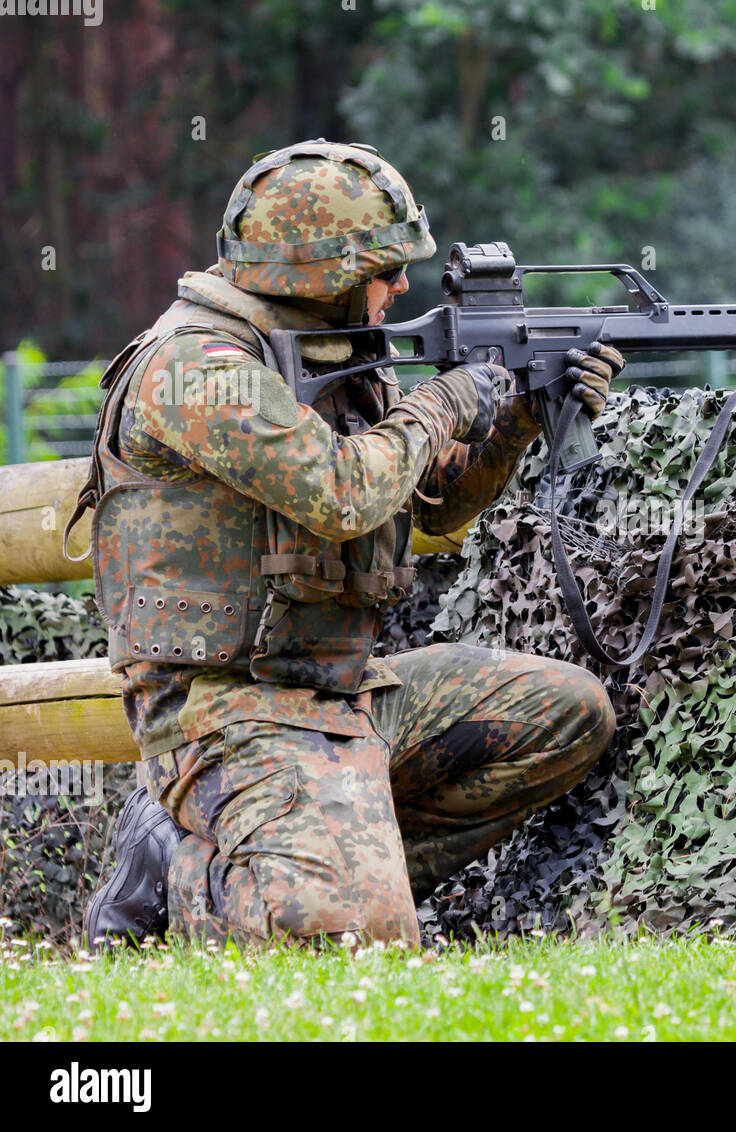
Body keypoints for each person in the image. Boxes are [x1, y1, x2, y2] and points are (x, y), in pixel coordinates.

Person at [76, 139, 623, 948]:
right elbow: (341, 493)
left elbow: (434, 505)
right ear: (320, 272)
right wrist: (444, 402)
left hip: (342, 694)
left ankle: (339, 863)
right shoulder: (195, 367)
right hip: (229, 711)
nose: (401, 285)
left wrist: (516, 420)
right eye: (385, 268)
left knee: (568, 713)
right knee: (348, 947)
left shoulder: (341, 348)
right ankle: (185, 870)